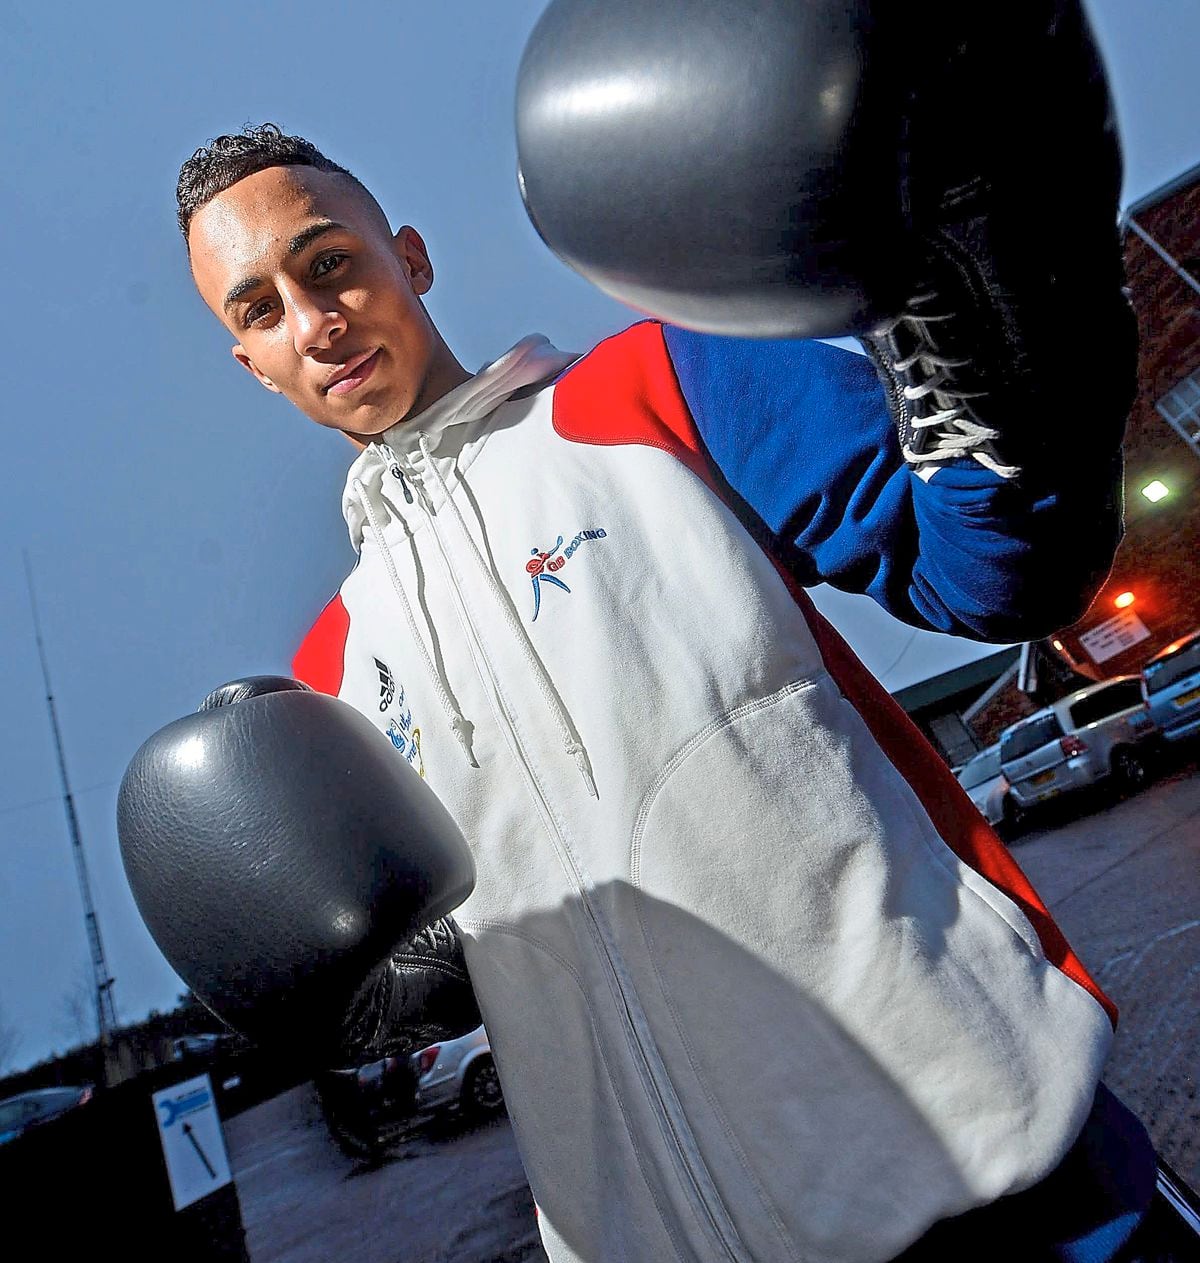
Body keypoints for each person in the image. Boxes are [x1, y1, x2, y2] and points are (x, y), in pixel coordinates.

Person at [174, 13, 1165, 1258]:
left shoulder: (654, 391)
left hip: (991, 1169)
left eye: (329, 264)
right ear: (250, 363)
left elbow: (988, 574)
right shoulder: (333, 669)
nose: (314, 321)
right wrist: (384, 985)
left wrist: (990, 333)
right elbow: (467, 970)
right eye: (262, 308)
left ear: (410, 259)